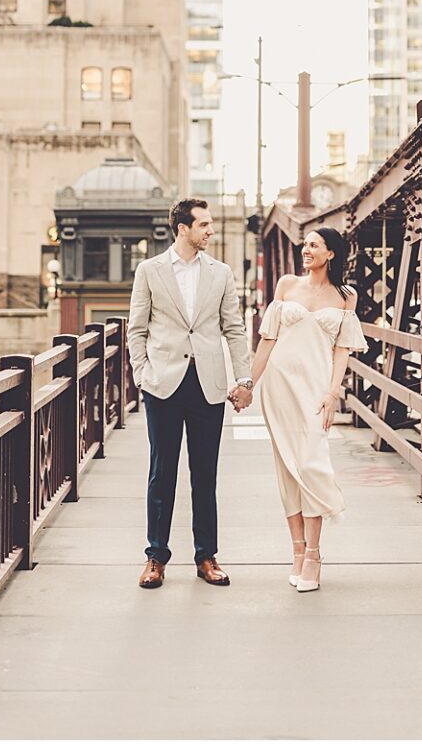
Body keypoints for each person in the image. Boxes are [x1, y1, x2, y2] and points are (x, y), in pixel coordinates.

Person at [127, 197, 254, 589]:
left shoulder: (221, 273)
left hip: (208, 385)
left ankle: (207, 556)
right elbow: (137, 328)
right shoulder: (150, 270)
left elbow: (234, 328)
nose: (210, 231)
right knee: (161, 473)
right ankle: (155, 558)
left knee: (205, 475)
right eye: (203, 225)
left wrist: (244, 379)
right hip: (162, 384)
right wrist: (142, 374)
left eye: (210, 224)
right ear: (182, 228)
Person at [239, 226, 363, 592]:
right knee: (288, 470)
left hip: (314, 389)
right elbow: (267, 341)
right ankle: (298, 552)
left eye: (314, 245)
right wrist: (250, 384)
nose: (305, 250)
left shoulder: (345, 296)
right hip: (279, 387)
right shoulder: (286, 285)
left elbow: (342, 350)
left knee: (310, 464)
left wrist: (332, 392)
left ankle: (314, 555)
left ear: (331, 254)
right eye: (305, 244)